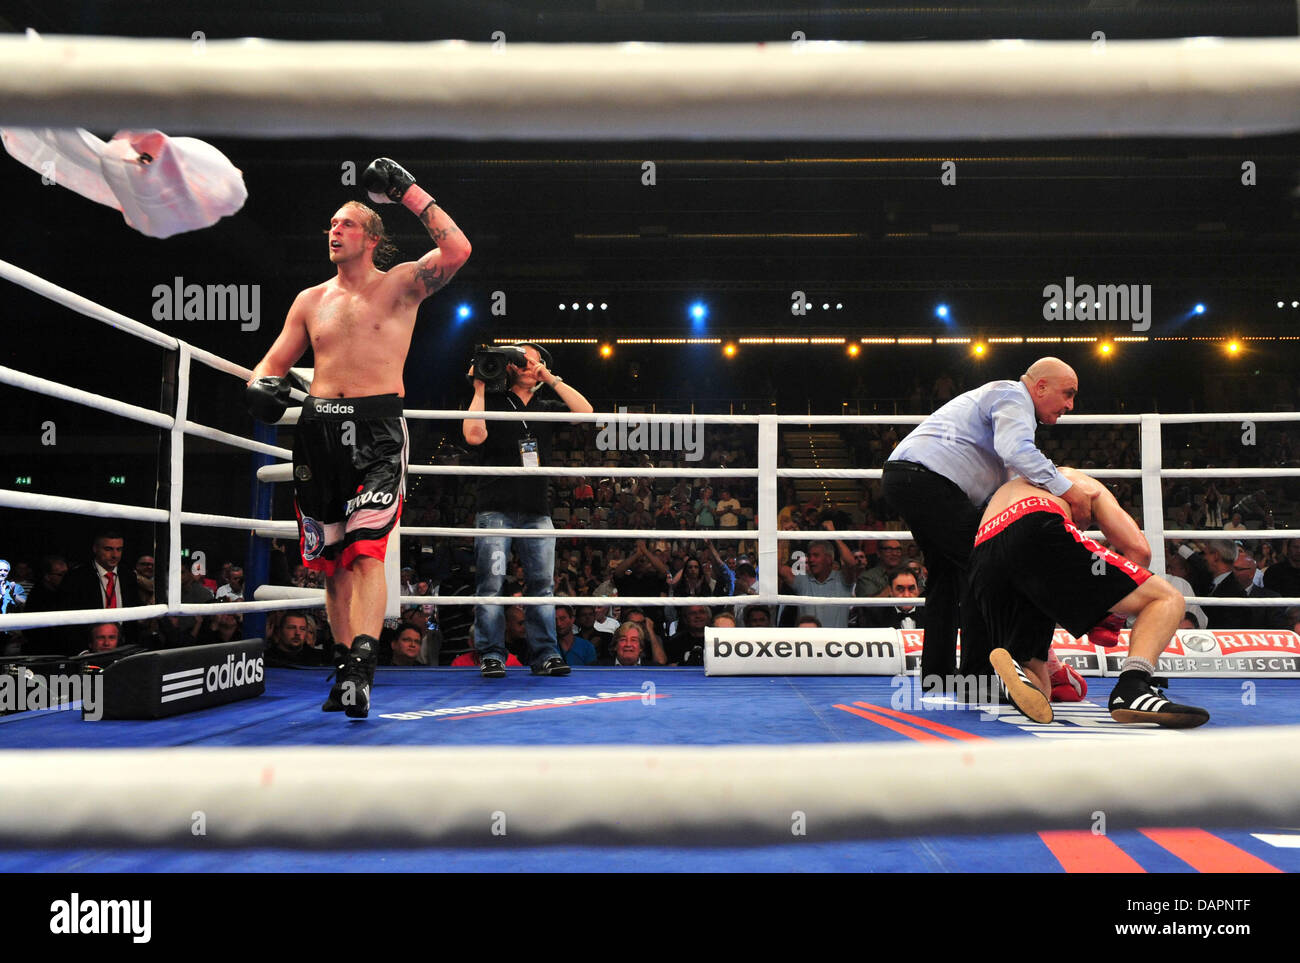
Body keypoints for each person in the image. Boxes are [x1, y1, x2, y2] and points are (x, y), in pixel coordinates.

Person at [247, 157, 470, 718]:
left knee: (368, 552)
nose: (334, 231)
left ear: (373, 238)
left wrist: (411, 194)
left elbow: (457, 251)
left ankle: (364, 670)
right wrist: (261, 387)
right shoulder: (309, 300)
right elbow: (270, 364)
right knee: (333, 561)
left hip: (376, 430)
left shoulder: (400, 285)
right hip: (317, 431)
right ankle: (344, 665)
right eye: (330, 225)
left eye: (345, 224)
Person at [883, 357, 1091, 694]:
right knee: (985, 569)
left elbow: (1008, 480)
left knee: (946, 576)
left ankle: (937, 677)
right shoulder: (1012, 396)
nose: (1070, 405)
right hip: (927, 481)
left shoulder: (1007, 406)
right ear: (1040, 387)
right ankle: (975, 679)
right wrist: (1070, 491)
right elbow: (1018, 452)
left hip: (908, 479)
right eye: (1067, 393)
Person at [969, 468, 1208, 728]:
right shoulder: (1080, 481)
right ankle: (1133, 688)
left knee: (1039, 687)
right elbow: (1138, 550)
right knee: (1166, 598)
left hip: (983, 556)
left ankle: (1022, 673)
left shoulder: (1009, 489)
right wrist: (1112, 613)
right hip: (1036, 526)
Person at [463, 342, 594, 679]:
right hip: (495, 508)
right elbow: (474, 437)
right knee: (490, 584)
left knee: (541, 585)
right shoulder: (492, 401)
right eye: (516, 359)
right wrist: (479, 384)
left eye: (530, 360)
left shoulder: (546, 405)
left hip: (537, 510)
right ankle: (491, 654)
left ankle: (546, 654)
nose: (523, 364)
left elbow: (586, 414)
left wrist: (550, 379)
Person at [57, 531, 141, 653]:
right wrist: (81, 651)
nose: (115, 555)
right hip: (87, 649)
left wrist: (132, 648)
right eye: (108, 549)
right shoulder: (76, 577)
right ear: (95, 549)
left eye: (119, 549)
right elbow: (66, 618)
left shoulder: (128, 575)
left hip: (124, 648)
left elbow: (133, 617)